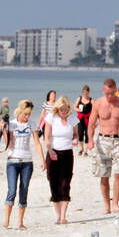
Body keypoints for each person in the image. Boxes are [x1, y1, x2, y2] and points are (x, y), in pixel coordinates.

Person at [86, 77, 119, 213]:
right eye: (107, 93)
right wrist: (90, 140)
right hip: (103, 140)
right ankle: (107, 206)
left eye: (112, 93)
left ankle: (115, 204)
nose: (110, 96)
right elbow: (91, 124)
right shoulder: (98, 104)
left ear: (116, 90)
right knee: (104, 175)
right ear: (103, 90)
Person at [3, 100, 44, 229]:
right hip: (13, 161)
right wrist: (3, 130)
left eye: (29, 114)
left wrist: (42, 160)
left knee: (24, 190)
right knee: (12, 190)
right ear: (20, 112)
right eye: (25, 114)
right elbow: (9, 145)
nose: (27, 117)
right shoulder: (12, 124)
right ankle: (7, 220)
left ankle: (20, 222)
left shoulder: (32, 124)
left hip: (27, 161)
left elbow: (37, 142)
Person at [37, 96, 78, 224]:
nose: (63, 112)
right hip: (53, 152)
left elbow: (76, 133)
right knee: (53, 182)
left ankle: (63, 216)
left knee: (65, 183)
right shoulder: (51, 117)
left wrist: (75, 139)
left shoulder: (72, 118)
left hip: (67, 153)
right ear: (57, 109)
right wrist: (50, 150)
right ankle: (58, 215)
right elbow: (47, 137)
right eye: (61, 109)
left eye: (66, 109)